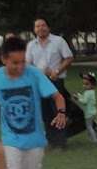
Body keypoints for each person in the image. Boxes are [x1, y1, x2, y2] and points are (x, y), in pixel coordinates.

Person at [0, 36, 68, 169]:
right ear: (4, 59)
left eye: (23, 61)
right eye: (15, 63)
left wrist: (61, 113)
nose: (20, 67)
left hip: (35, 137)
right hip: (10, 137)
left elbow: (57, 96)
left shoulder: (33, 74)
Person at [26, 17, 75, 151]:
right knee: (45, 113)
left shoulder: (58, 41)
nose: (40, 28)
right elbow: (28, 63)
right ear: (34, 29)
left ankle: (61, 143)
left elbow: (69, 58)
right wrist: (37, 73)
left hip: (55, 80)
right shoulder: (31, 45)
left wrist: (57, 71)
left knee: (58, 111)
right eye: (37, 26)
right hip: (39, 83)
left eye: (43, 25)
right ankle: (51, 141)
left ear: (48, 28)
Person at [76, 73, 97, 143]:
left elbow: (84, 101)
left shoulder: (88, 93)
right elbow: (85, 98)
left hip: (88, 113)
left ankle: (95, 139)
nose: (84, 86)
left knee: (89, 127)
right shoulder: (91, 92)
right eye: (84, 84)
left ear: (92, 85)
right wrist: (79, 95)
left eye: (87, 84)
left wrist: (78, 98)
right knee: (91, 122)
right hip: (93, 111)